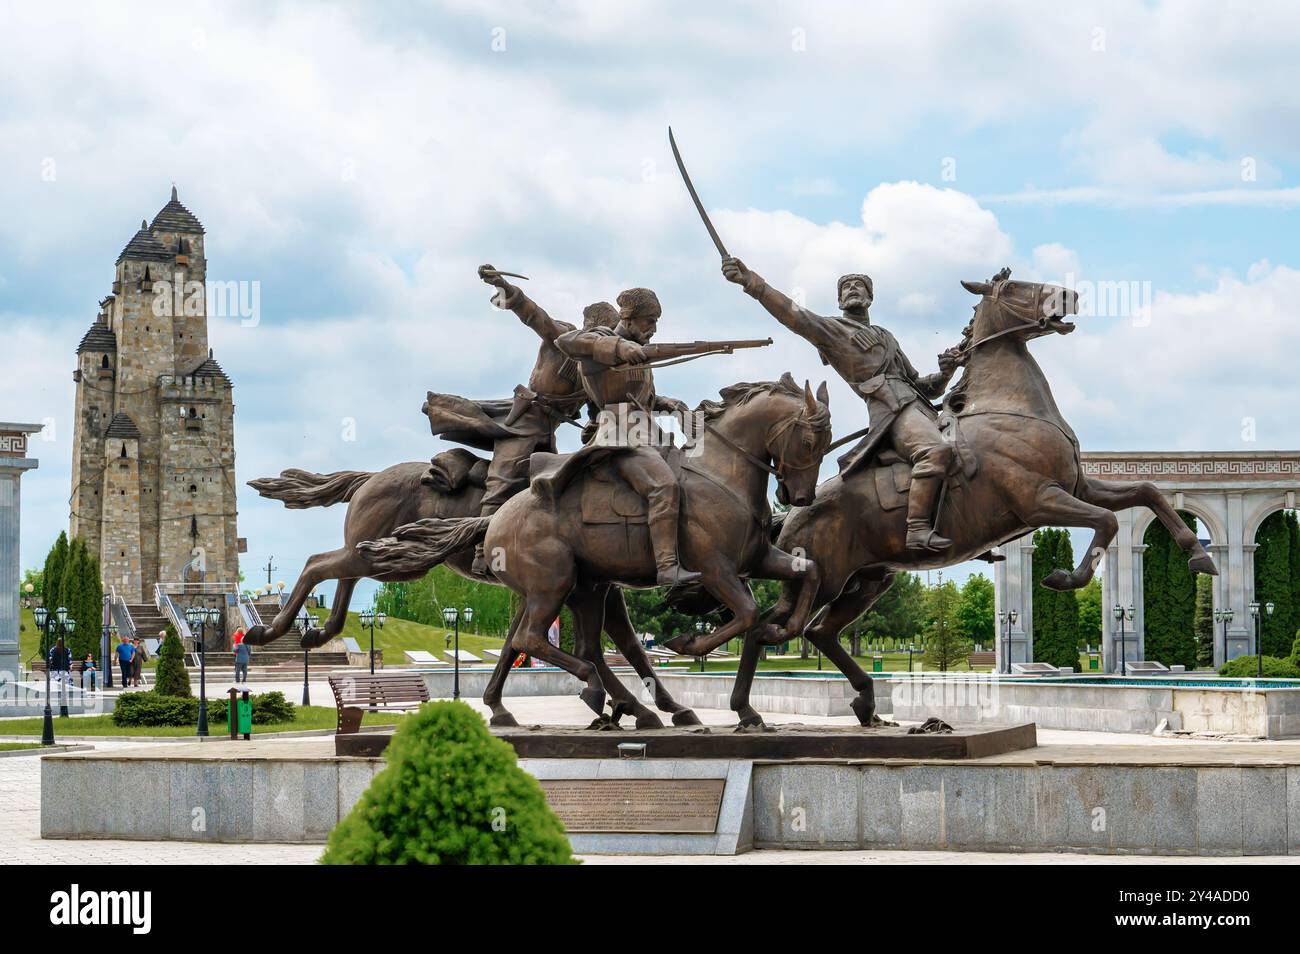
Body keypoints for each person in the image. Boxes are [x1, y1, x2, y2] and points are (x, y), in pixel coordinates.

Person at [722, 258, 960, 551]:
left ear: (870, 297)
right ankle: (917, 528)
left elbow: (922, 386)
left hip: (919, 407)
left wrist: (946, 372)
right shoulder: (832, 331)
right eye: (845, 286)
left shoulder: (887, 337)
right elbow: (792, 314)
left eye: (859, 285)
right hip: (891, 413)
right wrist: (752, 282)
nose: (852, 289)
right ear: (839, 300)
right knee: (934, 452)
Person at [554, 287, 700, 585]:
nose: (654, 329)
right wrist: (619, 348)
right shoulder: (603, 340)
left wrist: (666, 404)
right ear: (628, 319)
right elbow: (565, 341)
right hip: (620, 435)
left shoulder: (636, 346)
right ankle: (667, 567)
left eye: (657, 321)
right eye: (649, 321)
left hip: (646, 432)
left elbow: (640, 399)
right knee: (663, 486)